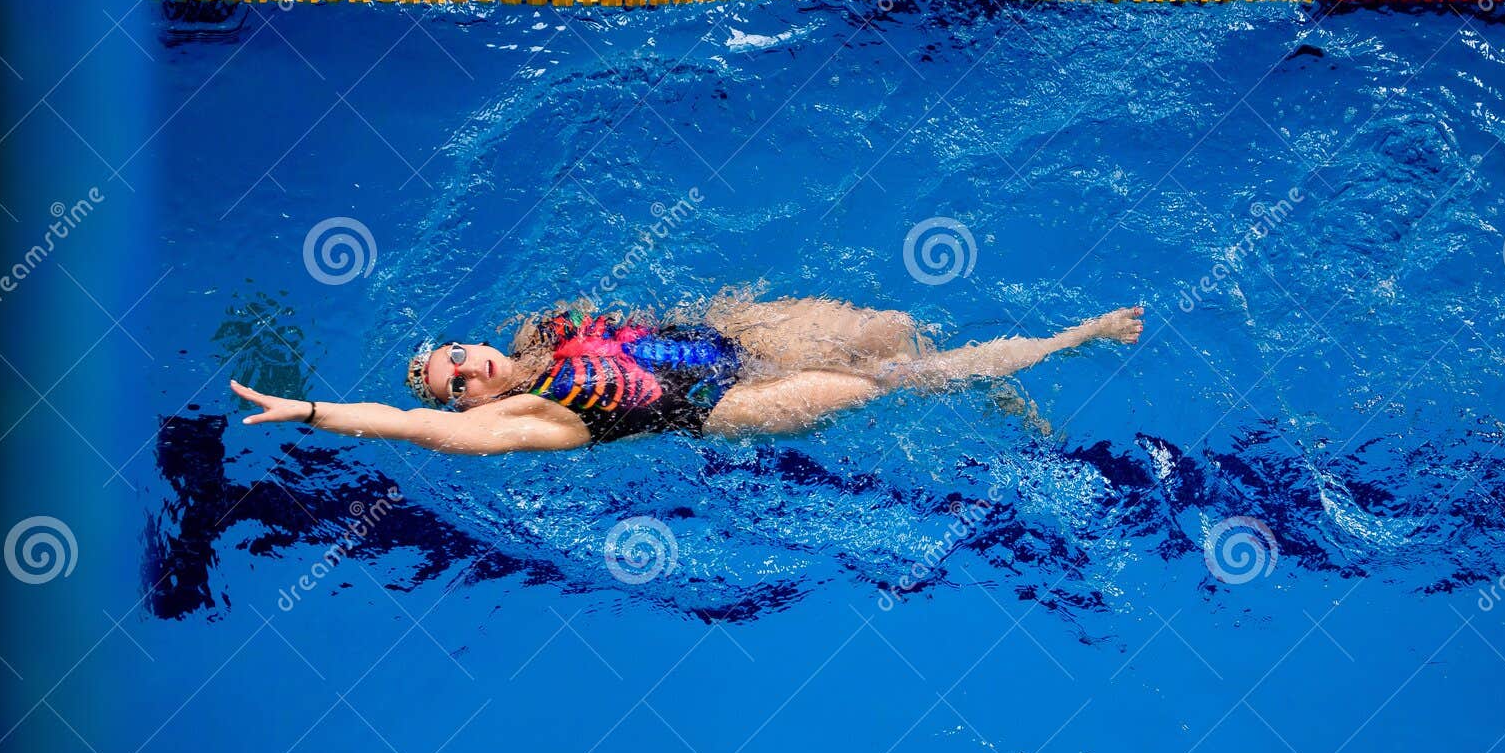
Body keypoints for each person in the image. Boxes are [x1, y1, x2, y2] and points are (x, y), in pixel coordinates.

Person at [231, 296, 1144, 455]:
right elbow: (413, 427)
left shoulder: (539, 332)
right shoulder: (532, 418)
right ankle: (1074, 341)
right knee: (894, 382)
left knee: (893, 329)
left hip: (732, 336)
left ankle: (985, 383)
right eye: (451, 383)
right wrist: (310, 408)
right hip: (727, 404)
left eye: (455, 357)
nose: (464, 374)